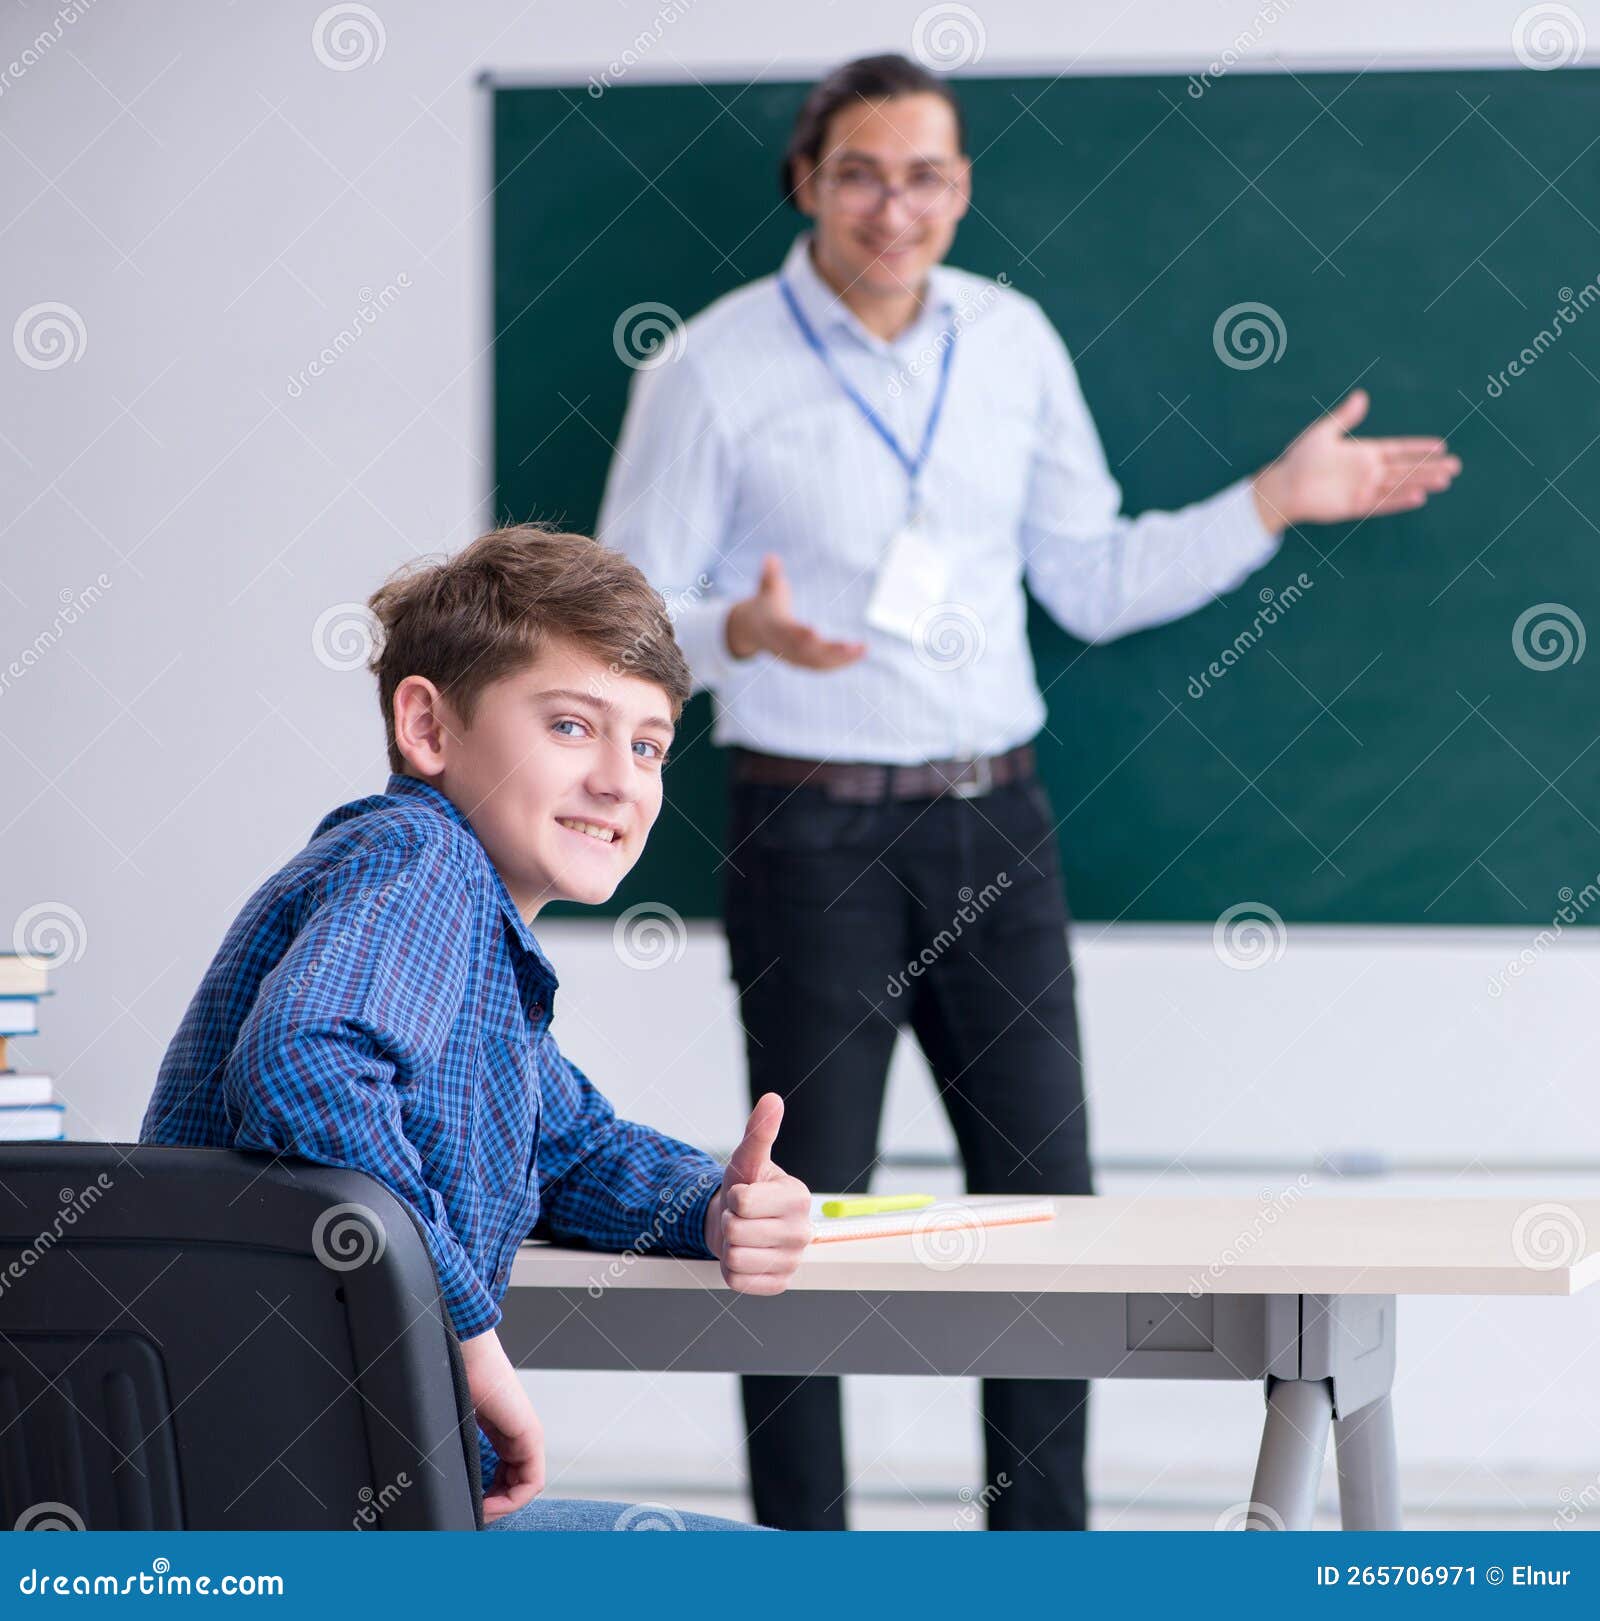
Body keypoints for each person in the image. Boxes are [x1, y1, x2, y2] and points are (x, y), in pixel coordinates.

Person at [598, 53, 1460, 1530]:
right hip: (809, 827)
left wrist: (1274, 499)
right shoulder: (713, 366)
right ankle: (800, 1562)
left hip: (997, 819)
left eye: (927, 174)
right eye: (861, 171)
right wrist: (739, 629)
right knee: (794, 1218)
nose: (894, 205)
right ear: (807, 179)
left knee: (1046, 1214)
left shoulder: (1010, 342)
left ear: (963, 189)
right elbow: (623, 628)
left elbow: (1095, 581)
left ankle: (1040, 1561)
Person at [139, 526, 812, 1530]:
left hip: (288, 1489)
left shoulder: (474, 954)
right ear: (429, 728)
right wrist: (462, 1329)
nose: (621, 780)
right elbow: (303, 1065)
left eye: (649, 745)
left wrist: (713, 1204)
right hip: (280, 1507)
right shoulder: (421, 859)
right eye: (573, 726)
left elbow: (573, 1147)